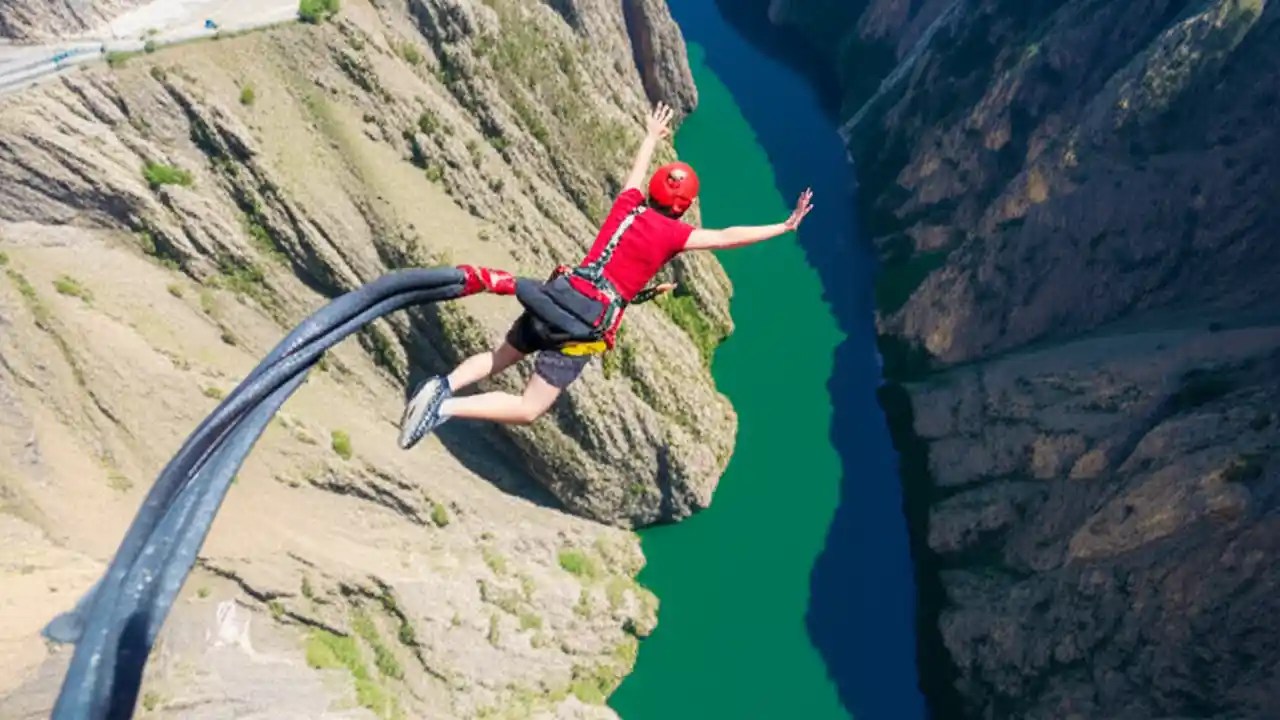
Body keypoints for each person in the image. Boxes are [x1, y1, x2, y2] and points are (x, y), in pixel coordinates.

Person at [397, 101, 814, 450]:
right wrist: (783, 225)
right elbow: (727, 238)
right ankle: (443, 409)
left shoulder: (627, 205)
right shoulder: (674, 233)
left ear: (652, 191)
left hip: (555, 295)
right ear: (684, 207)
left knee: (498, 358)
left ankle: (443, 385)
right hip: (579, 328)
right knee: (528, 408)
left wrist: (651, 136)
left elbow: (635, 172)